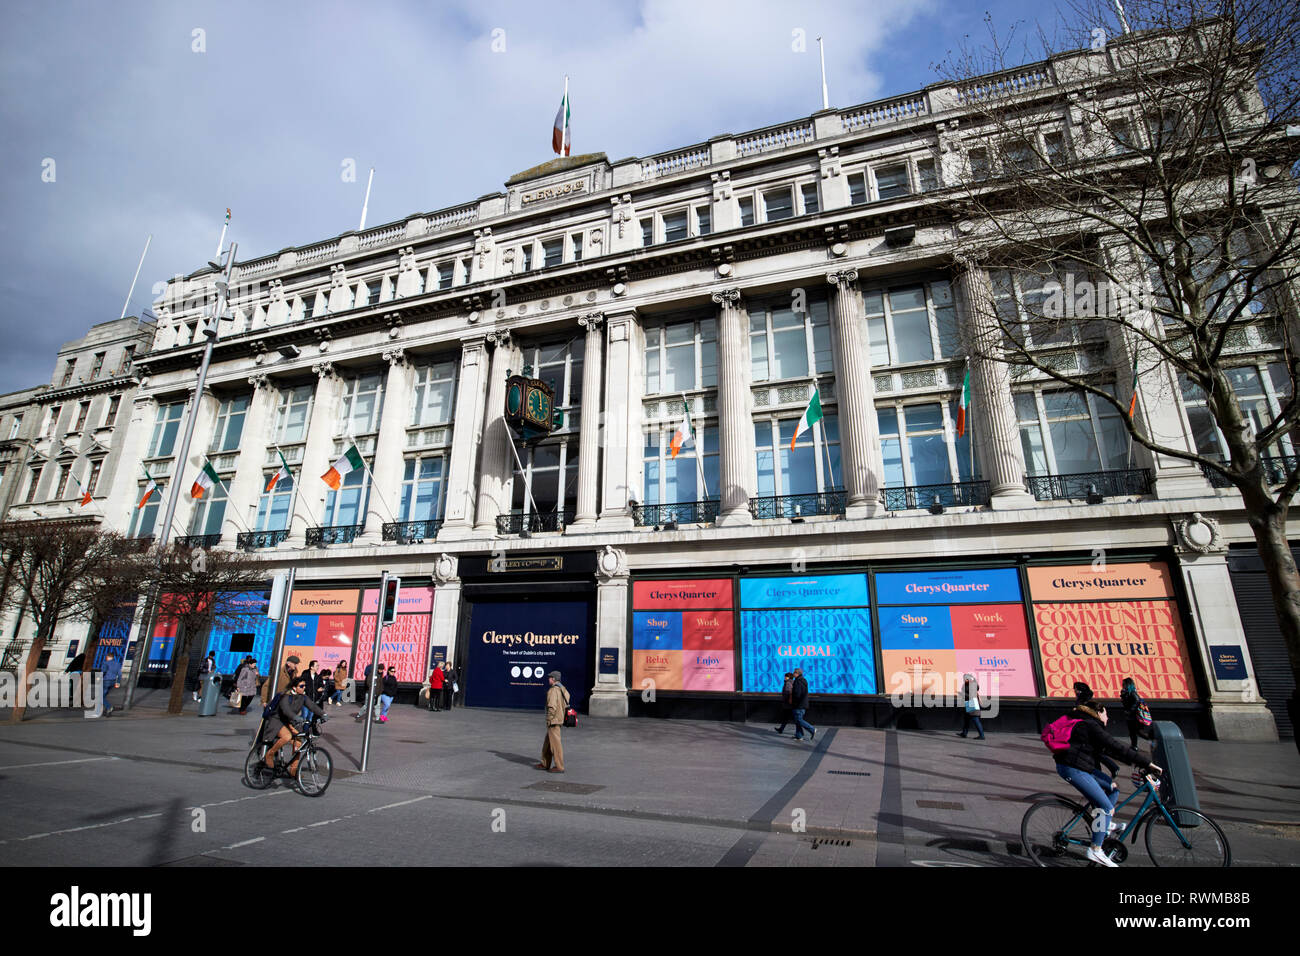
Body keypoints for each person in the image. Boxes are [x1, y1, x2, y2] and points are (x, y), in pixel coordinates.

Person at [1052, 697, 1161, 867]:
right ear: (1099, 712)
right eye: (1106, 714)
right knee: (1106, 807)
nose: (1108, 718)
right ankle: (1095, 850)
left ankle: (1105, 824)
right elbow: (1116, 746)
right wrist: (1147, 763)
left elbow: (1109, 750)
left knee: (1113, 789)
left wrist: (1132, 762)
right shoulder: (1091, 725)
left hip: (1079, 766)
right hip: (1074, 769)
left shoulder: (1085, 723)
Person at [262, 675, 328, 775]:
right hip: (277, 721)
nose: (304, 688)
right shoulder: (285, 696)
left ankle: (293, 770)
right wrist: (297, 718)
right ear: (294, 688)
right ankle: (270, 754)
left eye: (304, 686)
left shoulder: (303, 697)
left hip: (288, 722)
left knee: (298, 743)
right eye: (301, 686)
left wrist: (323, 714)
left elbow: (313, 706)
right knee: (287, 736)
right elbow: (286, 710)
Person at [536, 671, 569, 773]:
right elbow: (567, 698)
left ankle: (559, 766)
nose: (548, 679)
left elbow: (552, 706)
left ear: (554, 679)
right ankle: (545, 763)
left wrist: (549, 719)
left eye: (550, 678)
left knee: (556, 744)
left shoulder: (553, 690)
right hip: (559, 718)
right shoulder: (563, 689)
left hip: (553, 720)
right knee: (548, 743)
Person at [1120, 677, 1153, 749]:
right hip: (1130, 715)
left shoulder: (1132, 692)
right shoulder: (1125, 692)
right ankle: (1134, 746)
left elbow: (1137, 700)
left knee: (1138, 731)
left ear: (1127, 684)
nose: (1122, 685)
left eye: (1124, 684)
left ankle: (1152, 740)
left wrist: (1130, 710)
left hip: (1134, 715)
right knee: (1132, 731)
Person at [790, 667, 816, 742]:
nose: (793, 674)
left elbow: (797, 694)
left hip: (799, 704)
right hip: (802, 704)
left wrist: (794, 699)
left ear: (797, 673)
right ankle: (799, 735)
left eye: (794, 672)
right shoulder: (803, 680)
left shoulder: (798, 681)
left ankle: (812, 729)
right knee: (797, 720)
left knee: (799, 720)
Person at [957, 673, 986, 740]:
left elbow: (971, 696)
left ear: (969, 678)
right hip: (968, 702)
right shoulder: (967, 684)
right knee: (966, 719)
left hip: (972, 702)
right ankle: (964, 733)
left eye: (965, 678)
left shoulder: (972, 684)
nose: (964, 680)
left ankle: (982, 735)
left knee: (975, 719)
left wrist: (961, 693)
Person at [100, 650, 122, 716]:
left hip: (106, 680)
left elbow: (103, 671)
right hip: (113, 681)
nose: (106, 657)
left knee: (100, 697)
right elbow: (120, 674)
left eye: (107, 656)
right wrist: (118, 682)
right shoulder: (117, 664)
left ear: (108, 657)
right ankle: (106, 710)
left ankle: (109, 707)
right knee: (104, 695)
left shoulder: (105, 663)